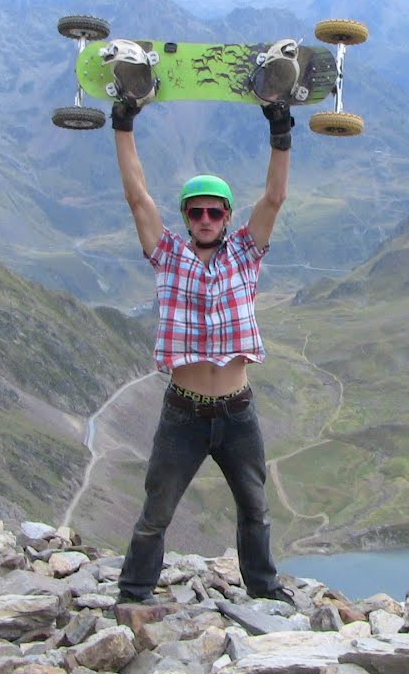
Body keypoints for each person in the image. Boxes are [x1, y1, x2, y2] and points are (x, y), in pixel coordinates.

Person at [109, 83, 297, 606]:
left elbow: (275, 197)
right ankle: (133, 593)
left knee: (255, 506)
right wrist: (124, 124)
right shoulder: (167, 254)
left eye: (216, 212)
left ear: (228, 217)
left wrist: (280, 131)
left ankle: (263, 589)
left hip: (238, 411)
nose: (207, 220)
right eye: (197, 213)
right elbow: (137, 197)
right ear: (187, 218)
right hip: (183, 412)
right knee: (157, 510)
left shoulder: (246, 255)